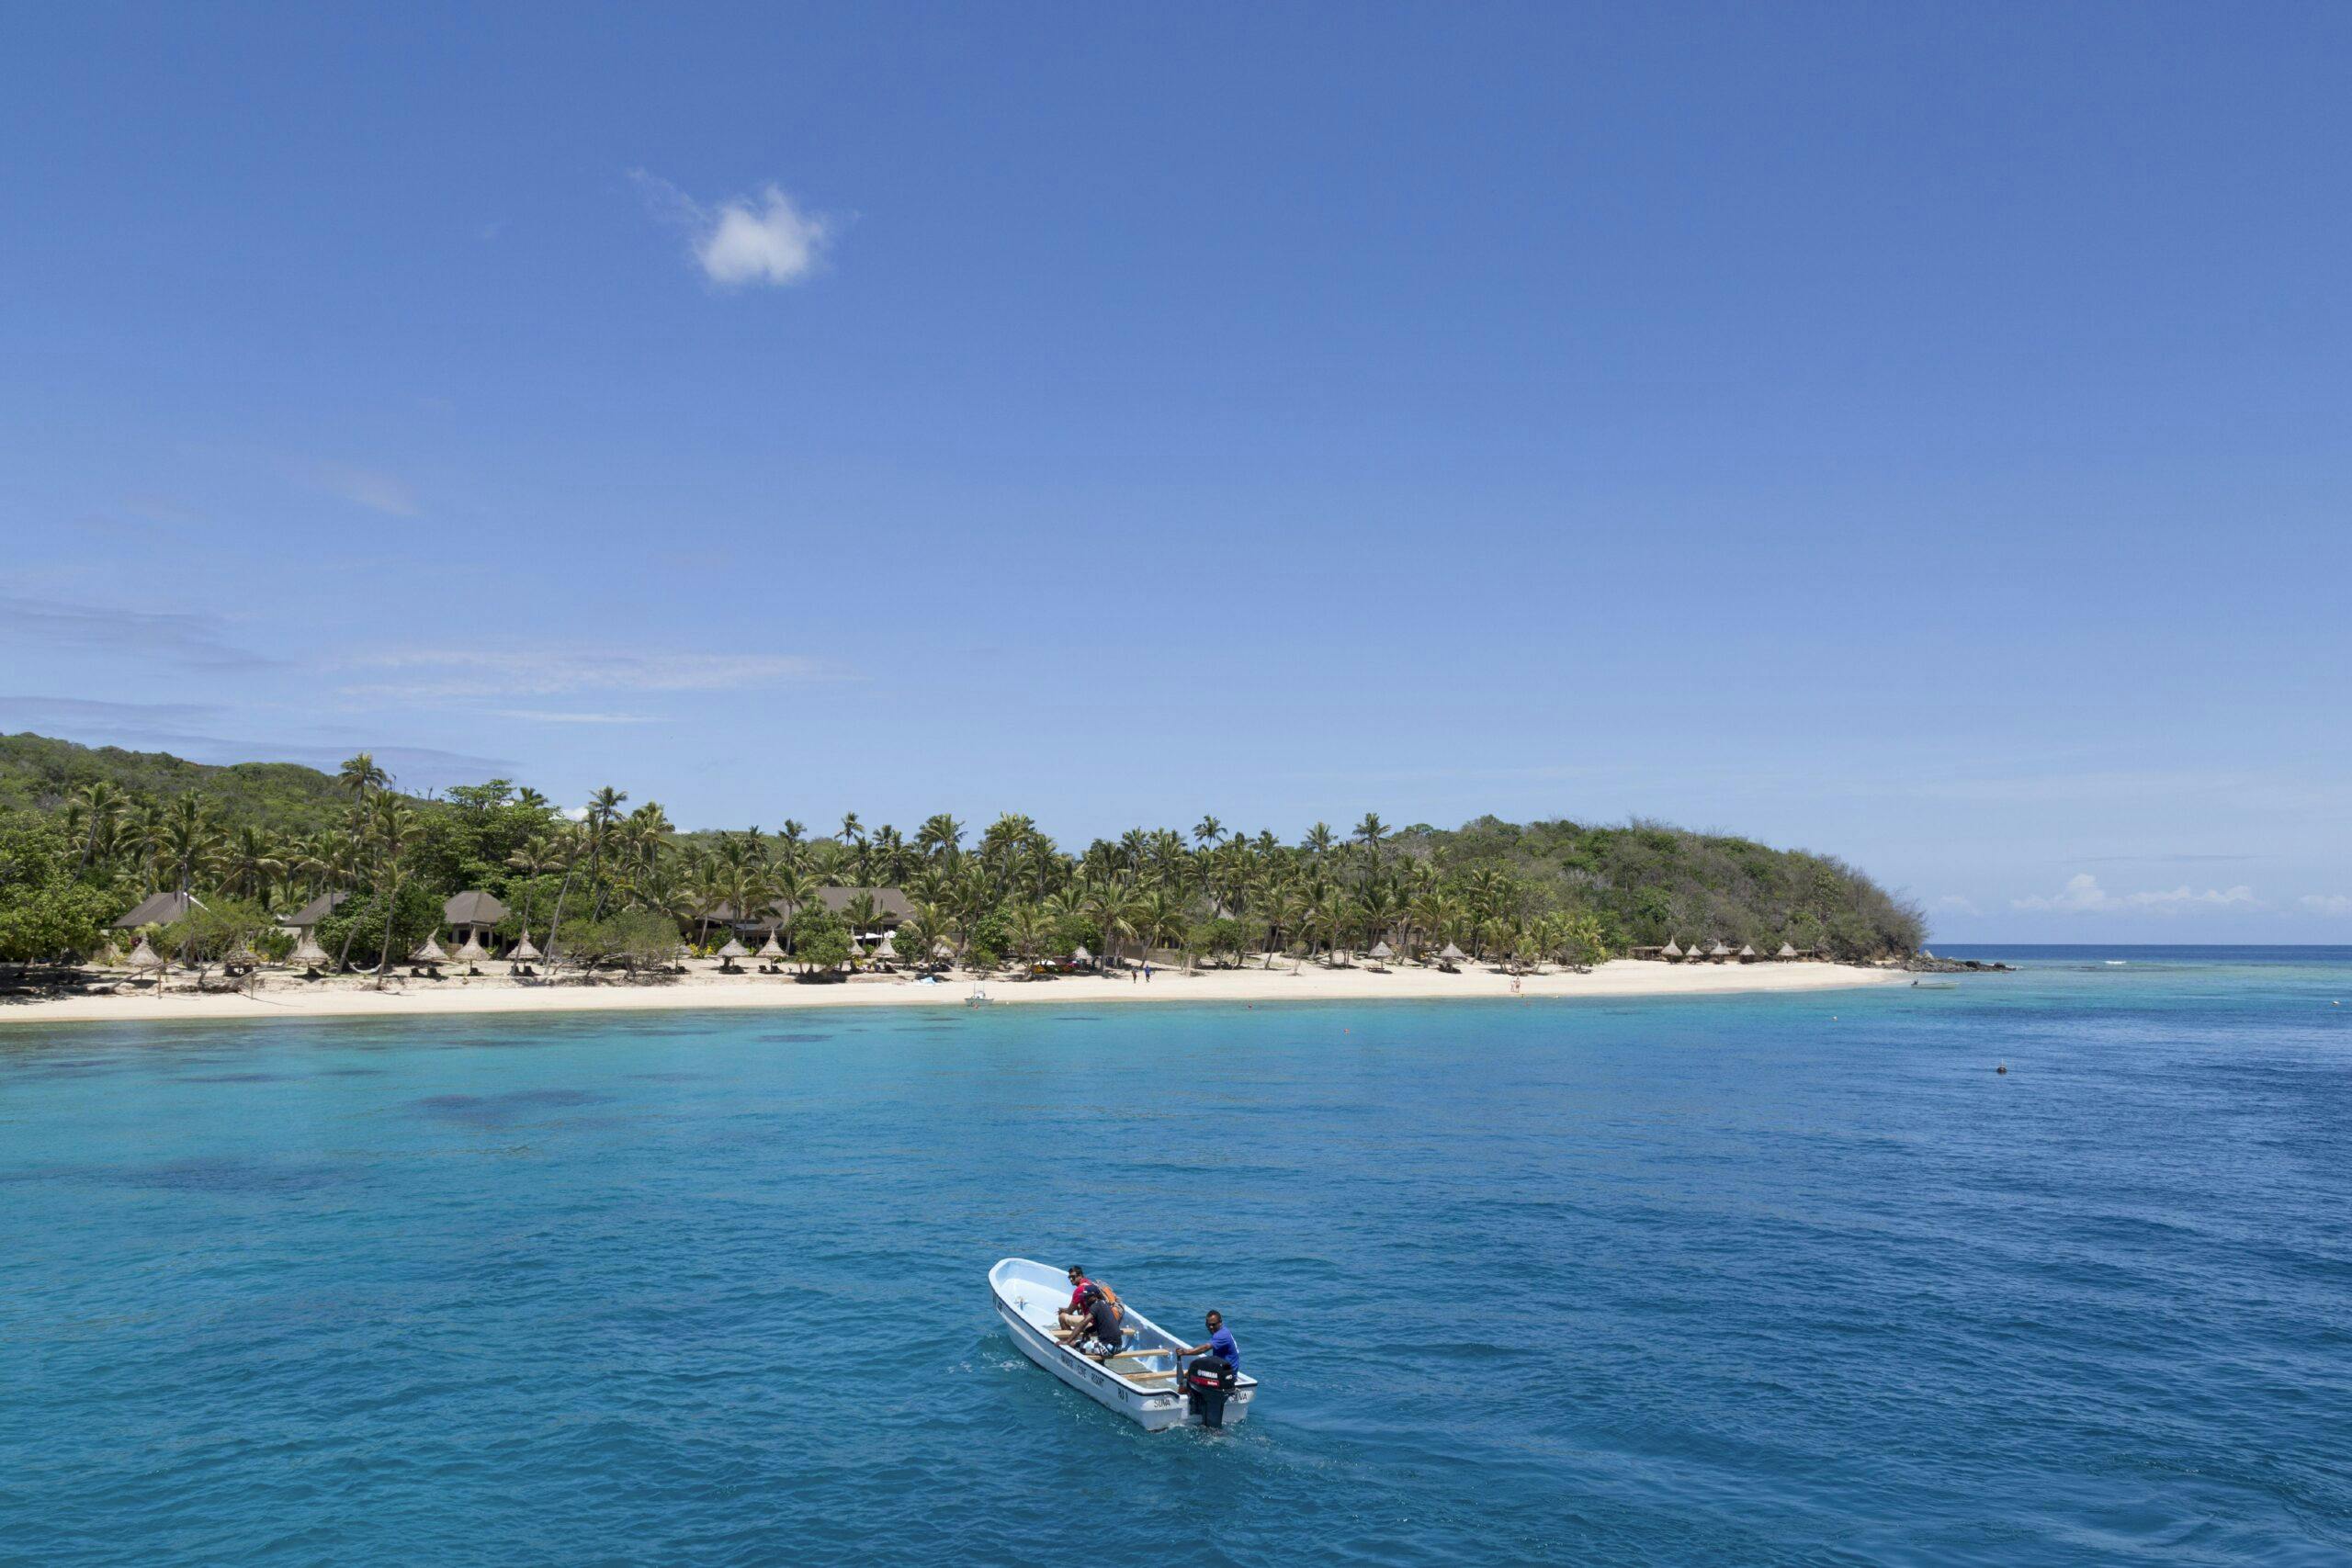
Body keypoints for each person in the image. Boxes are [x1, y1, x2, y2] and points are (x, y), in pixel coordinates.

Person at [1056, 1284, 1125, 1359]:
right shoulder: (1104, 1304)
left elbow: (1082, 1323)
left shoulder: (1095, 1306)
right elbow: (1097, 1325)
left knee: (1072, 1344)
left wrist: (1067, 1341)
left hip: (1107, 1348)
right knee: (1088, 1343)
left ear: (1094, 1296)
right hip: (1118, 1346)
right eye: (1084, 1297)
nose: (1084, 1299)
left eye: (1087, 1297)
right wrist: (1088, 1331)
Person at [1174, 1309, 1239, 1373]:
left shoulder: (1222, 1334)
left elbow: (1205, 1347)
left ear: (1220, 1322)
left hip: (1229, 1371)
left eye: (1213, 1324)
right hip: (1226, 1366)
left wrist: (1185, 1352)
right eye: (1209, 1324)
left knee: (1195, 1370)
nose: (1211, 1327)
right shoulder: (1222, 1330)